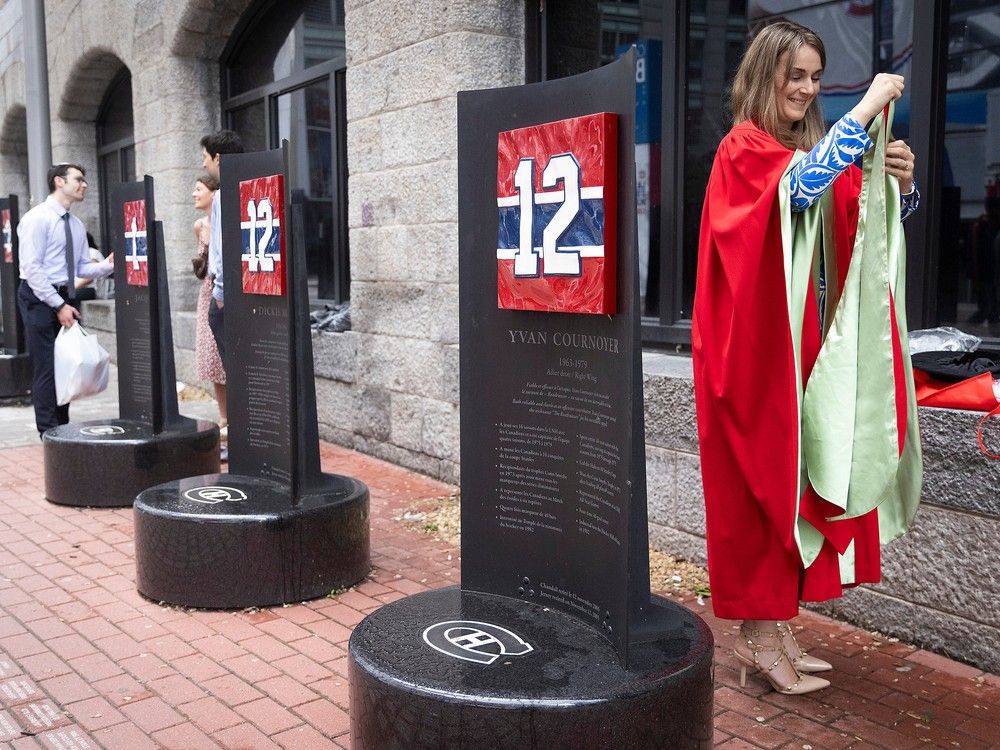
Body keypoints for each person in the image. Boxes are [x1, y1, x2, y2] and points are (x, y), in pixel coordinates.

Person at [692, 20, 921, 696]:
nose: (807, 88)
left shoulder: (802, 151)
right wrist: (866, 108)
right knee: (760, 490)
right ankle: (757, 635)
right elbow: (798, 190)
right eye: (795, 75)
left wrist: (896, 185)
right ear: (764, 74)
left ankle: (774, 628)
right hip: (751, 358)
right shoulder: (743, 148)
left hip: (800, 356)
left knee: (797, 488)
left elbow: (855, 221)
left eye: (816, 77)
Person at [17, 163, 114, 436]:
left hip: (64, 295)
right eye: (78, 179)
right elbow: (32, 269)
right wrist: (58, 305)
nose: (84, 185)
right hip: (38, 295)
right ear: (59, 181)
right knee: (47, 367)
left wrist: (107, 266)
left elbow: (80, 267)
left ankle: (61, 428)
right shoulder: (37, 219)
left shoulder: (76, 225)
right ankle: (48, 433)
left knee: (65, 364)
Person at [199, 130, 244, 369]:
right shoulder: (246, 187)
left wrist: (220, 293)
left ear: (217, 158)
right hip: (246, 290)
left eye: (205, 157)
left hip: (226, 292)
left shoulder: (223, 195)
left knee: (235, 366)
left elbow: (224, 246)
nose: (203, 164)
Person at [191, 174, 228, 448]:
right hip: (207, 291)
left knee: (224, 355)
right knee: (212, 358)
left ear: (213, 193)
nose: (195, 194)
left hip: (221, 290)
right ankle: (224, 417)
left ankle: (234, 418)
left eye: (199, 189)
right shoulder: (199, 225)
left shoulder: (222, 220)